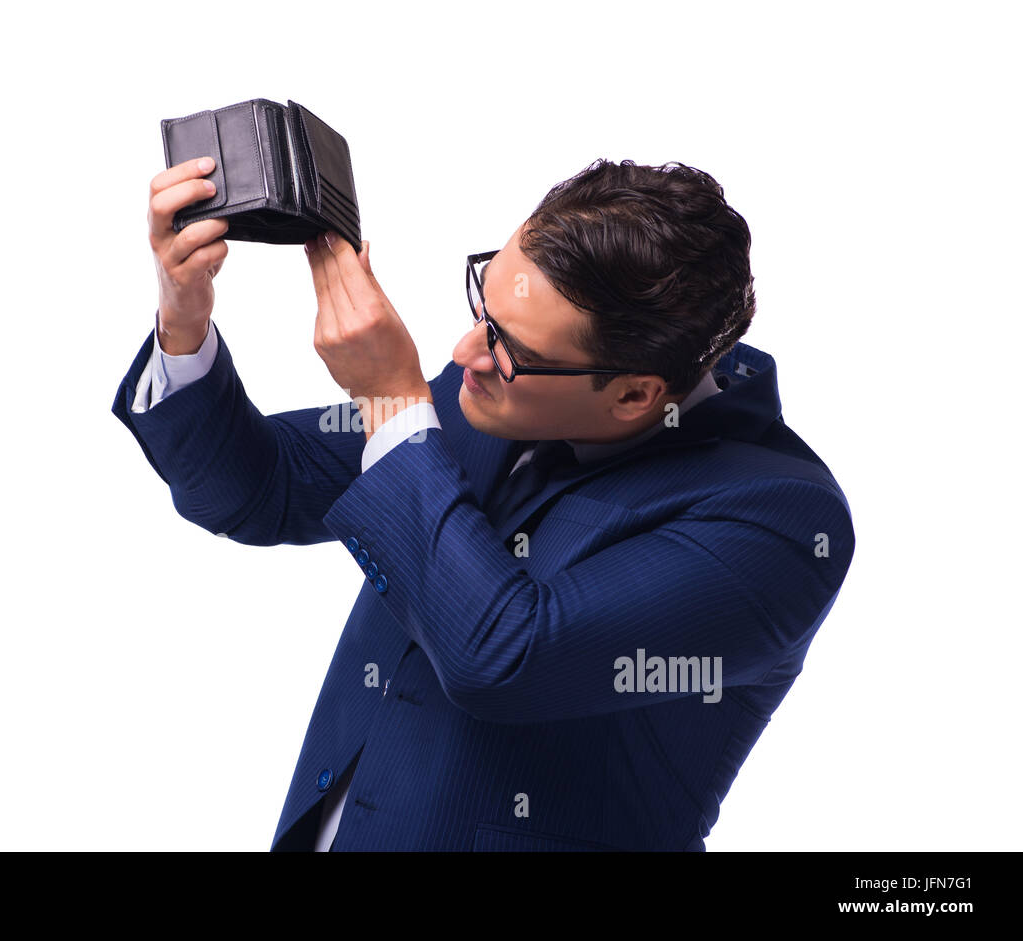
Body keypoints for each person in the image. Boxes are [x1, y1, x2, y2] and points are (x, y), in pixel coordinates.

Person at [112, 155, 855, 851]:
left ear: (635, 394)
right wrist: (185, 319)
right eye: (484, 301)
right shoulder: (499, 387)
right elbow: (258, 489)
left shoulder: (777, 522)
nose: (466, 352)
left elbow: (505, 658)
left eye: (507, 345)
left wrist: (390, 400)